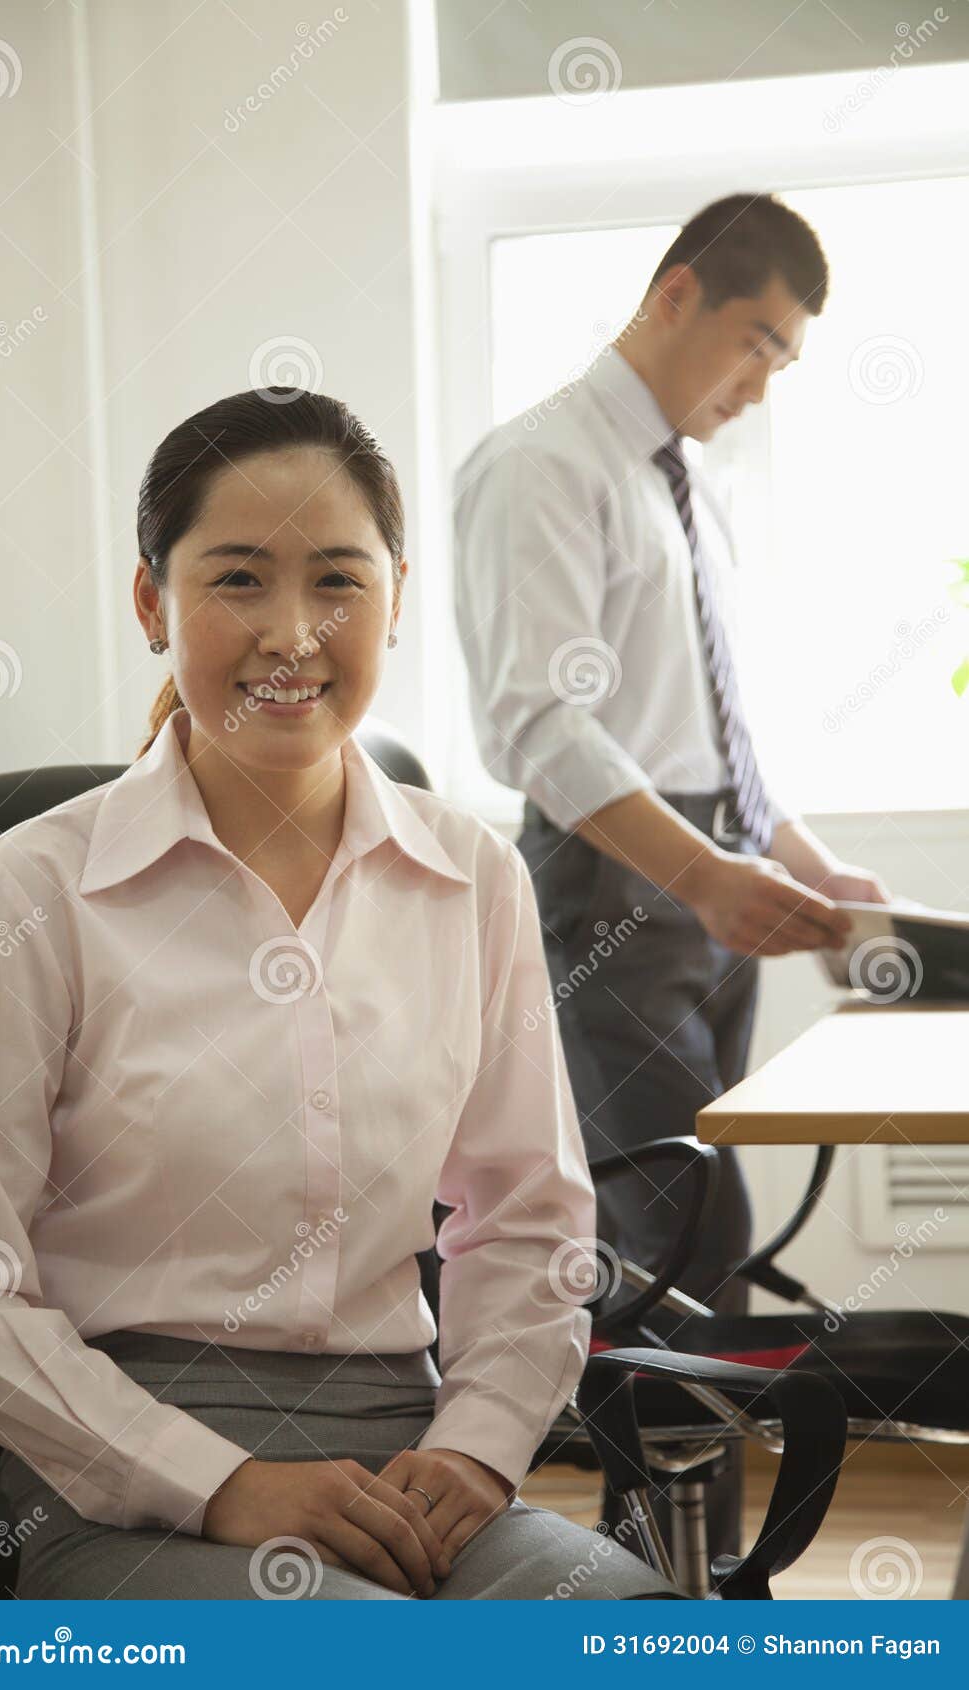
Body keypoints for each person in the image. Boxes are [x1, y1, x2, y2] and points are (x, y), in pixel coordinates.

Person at [0, 388, 683, 1601]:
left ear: (396, 596)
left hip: (412, 1462)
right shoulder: (25, 891)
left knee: (634, 1636)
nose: (292, 633)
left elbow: (526, 1217)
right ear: (152, 602)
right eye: (236, 580)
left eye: (336, 581)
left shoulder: (469, 875)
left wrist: (477, 1448)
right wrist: (221, 1482)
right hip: (126, 1480)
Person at [453, 193, 890, 1561]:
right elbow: (537, 723)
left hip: (695, 866)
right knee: (667, 1242)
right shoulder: (540, 462)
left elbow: (697, 724)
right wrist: (700, 872)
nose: (759, 384)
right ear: (673, 294)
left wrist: (799, 861)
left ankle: (673, 1585)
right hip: (619, 881)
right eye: (755, 341)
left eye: (783, 360)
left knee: (693, 1232)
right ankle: (653, 1600)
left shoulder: (679, 487)